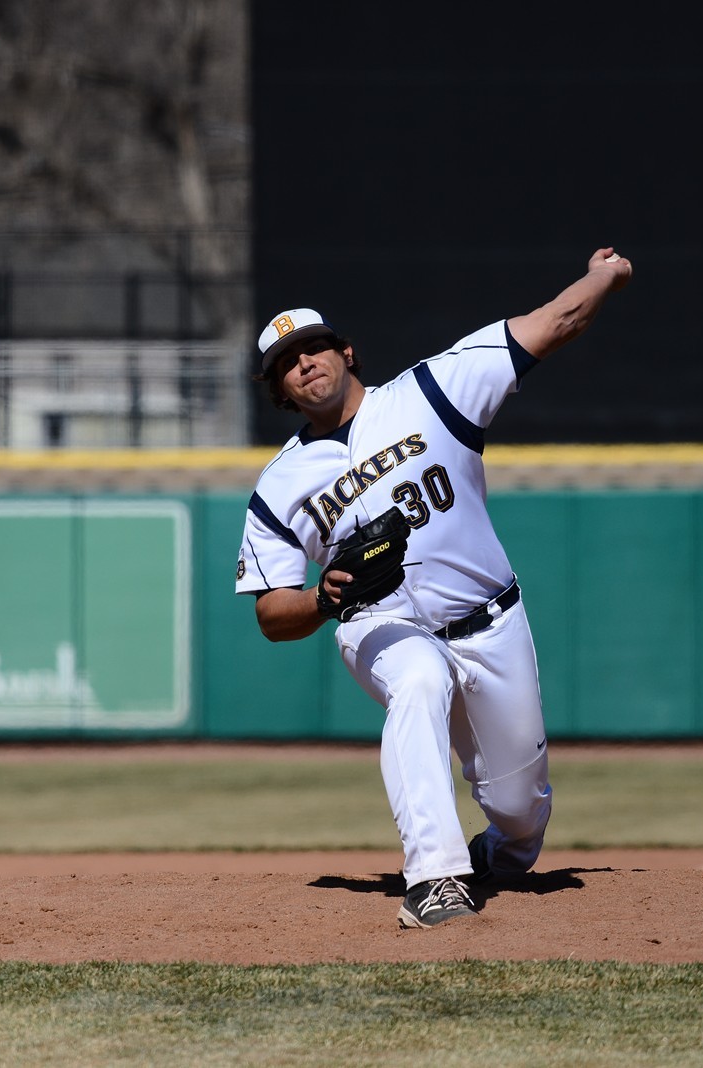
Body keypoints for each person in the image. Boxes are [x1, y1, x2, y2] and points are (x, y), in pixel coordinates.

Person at [235, 247, 633, 928]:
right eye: (285, 365)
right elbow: (273, 613)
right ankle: (434, 879)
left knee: (521, 815)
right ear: (279, 392)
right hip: (378, 626)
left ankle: (496, 853)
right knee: (417, 680)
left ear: (346, 351)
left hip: (490, 622)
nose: (304, 363)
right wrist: (322, 600)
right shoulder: (279, 484)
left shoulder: (432, 392)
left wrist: (607, 275)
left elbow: (555, 322)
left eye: (313, 348)